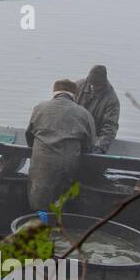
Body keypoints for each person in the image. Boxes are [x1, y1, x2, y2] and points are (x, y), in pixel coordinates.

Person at [25, 79, 96, 211]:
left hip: (42, 162)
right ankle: (58, 222)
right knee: (61, 197)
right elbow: (90, 145)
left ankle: (39, 220)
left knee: (38, 199)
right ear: (74, 94)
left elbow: (29, 136)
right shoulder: (85, 114)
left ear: (54, 92)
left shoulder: (39, 108)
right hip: (68, 164)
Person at [75, 64, 120, 154]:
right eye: (91, 84)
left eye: (96, 86)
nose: (93, 87)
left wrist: (99, 148)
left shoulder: (112, 100)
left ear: (103, 84)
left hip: (93, 139)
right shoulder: (78, 86)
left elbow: (110, 128)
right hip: (73, 134)